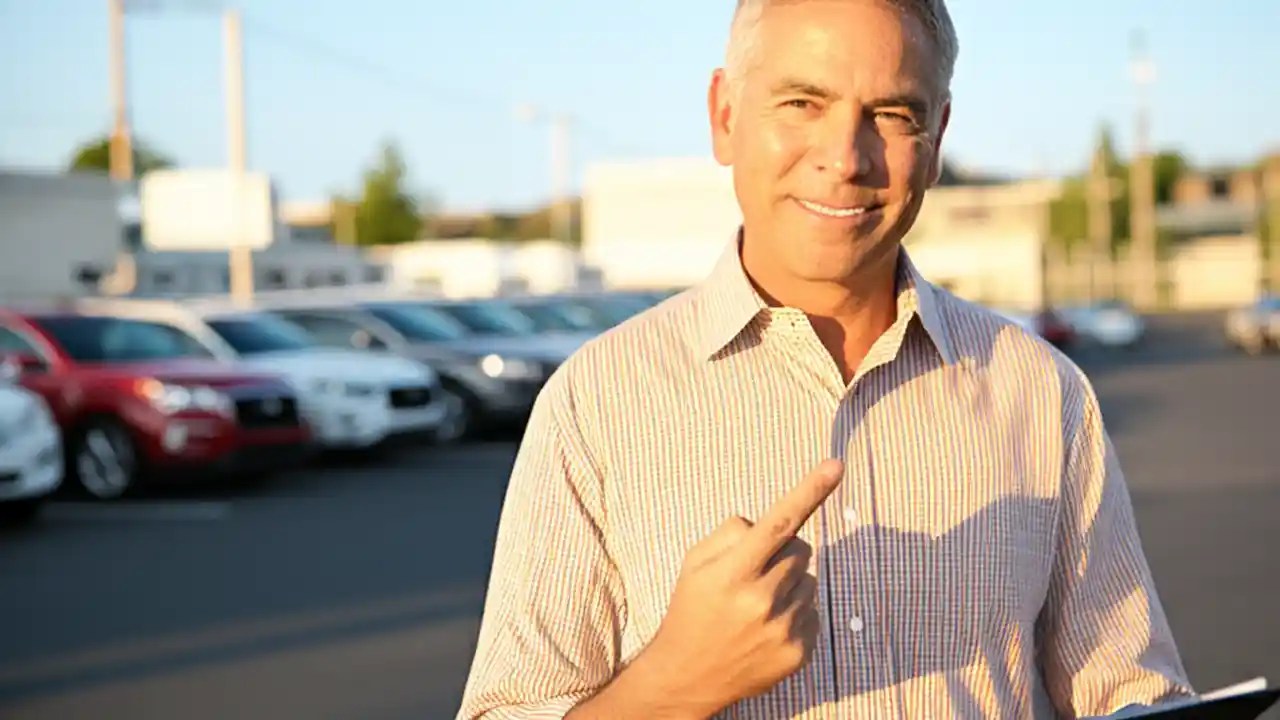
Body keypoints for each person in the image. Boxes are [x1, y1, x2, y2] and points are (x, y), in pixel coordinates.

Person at [456, 0, 1195, 717]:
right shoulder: (597, 403)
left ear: (936, 139)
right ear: (724, 115)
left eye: (892, 114)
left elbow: (1130, 694)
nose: (845, 158)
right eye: (802, 103)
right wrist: (672, 683)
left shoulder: (1038, 391)